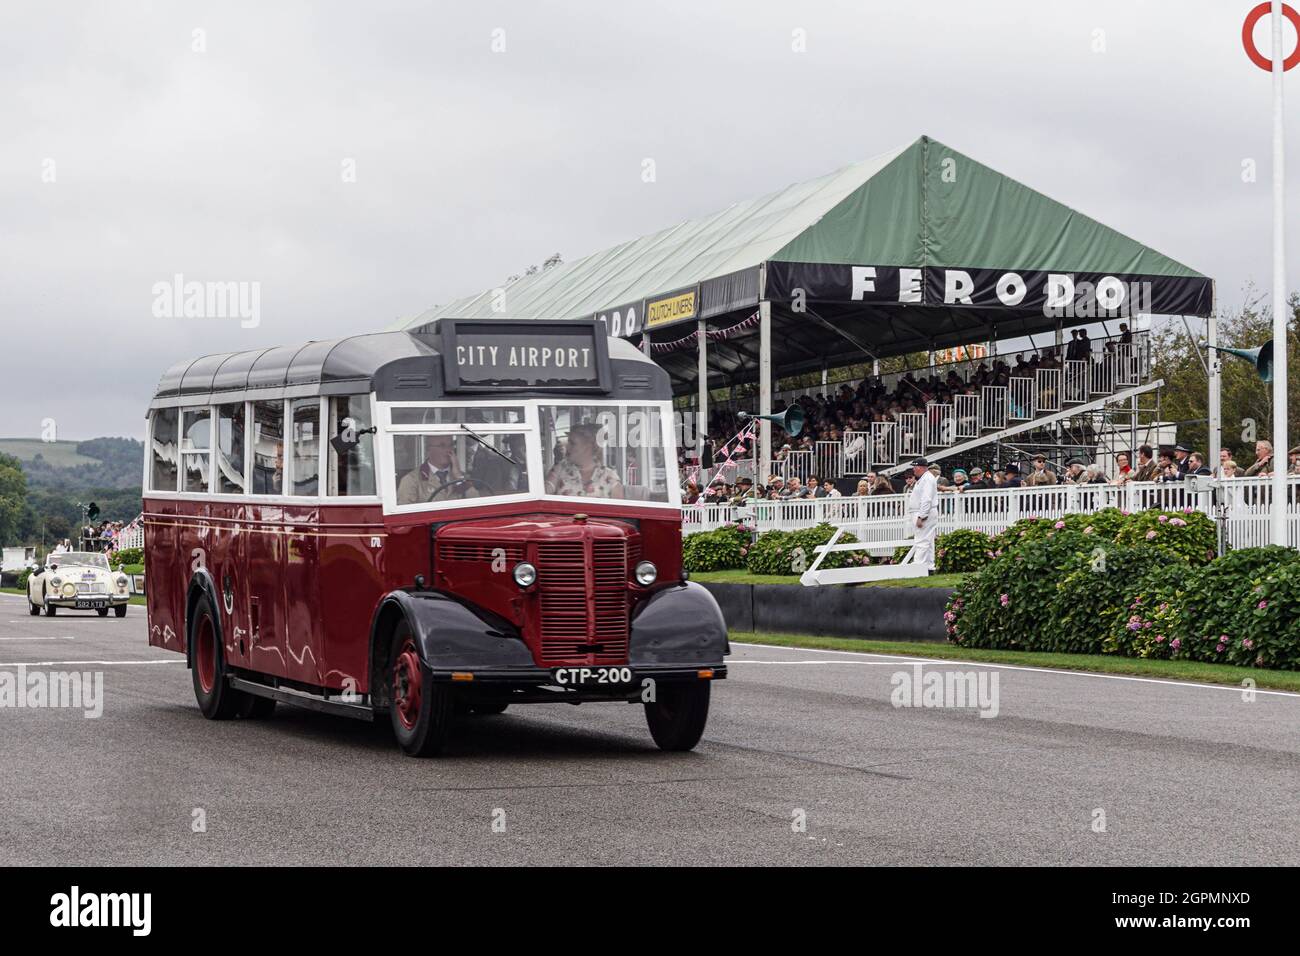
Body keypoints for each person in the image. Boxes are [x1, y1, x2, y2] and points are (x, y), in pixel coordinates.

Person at [545, 423, 624, 498]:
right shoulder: (559, 469)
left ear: (588, 447)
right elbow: (543, 494)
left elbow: (620, 510)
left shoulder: (610, 477)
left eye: (572, 443)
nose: (567, 446)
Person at [398, 435, 468, 504]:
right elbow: (405, 513)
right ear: (428, 449)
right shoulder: (411, 480)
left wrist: (459, 478)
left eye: (451, 445)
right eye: (442, 446)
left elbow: (475, 501)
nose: (448, 450)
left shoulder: (461, 476)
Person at [907, 457, 939, 572]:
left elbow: (927, 499)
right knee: (928, 540)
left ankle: (918, 565)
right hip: (925, 511)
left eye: (915, 467)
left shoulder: (927, 479)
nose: (913, 470)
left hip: (925, 512)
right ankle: (929, 566)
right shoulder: (925, 478)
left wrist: (922, 516)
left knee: (921, 539)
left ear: (920, 467)